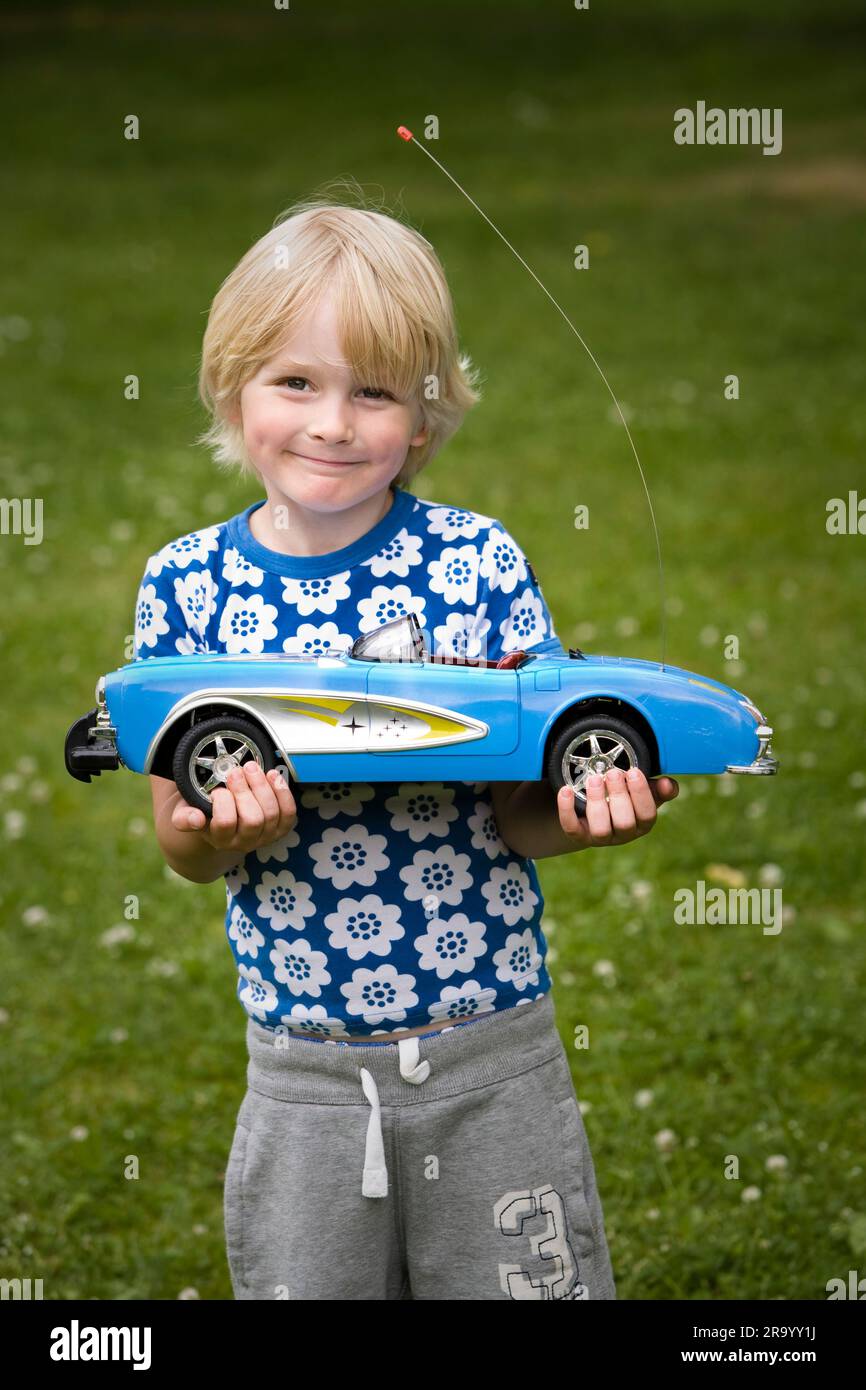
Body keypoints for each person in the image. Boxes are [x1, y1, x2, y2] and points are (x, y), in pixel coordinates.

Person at [134, 193, 679, 1300]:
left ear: (422, 420)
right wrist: (222, 833)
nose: (332, 423)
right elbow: (180, 846)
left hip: (492, 1050)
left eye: (372, 391)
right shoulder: (185, 586)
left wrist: (583, 812)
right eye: (295, 382)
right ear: (233, 391)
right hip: (304, 1070)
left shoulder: (474, 564)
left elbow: (518, 807)